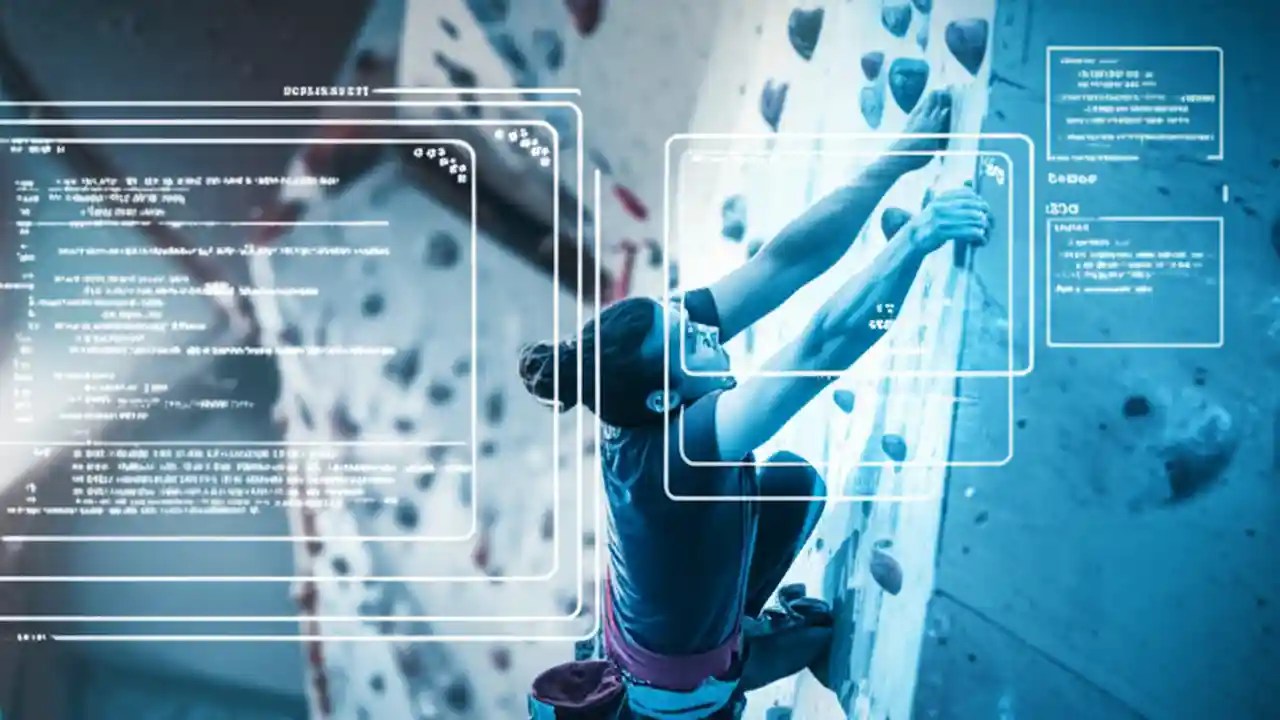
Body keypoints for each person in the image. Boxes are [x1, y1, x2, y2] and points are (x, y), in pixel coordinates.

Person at [519, 89, 991, 720]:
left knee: (796, 483)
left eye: (684, 318)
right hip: (674, 694)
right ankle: (735, 673)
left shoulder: (640, 388)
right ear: (664, 397)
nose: (706, 328)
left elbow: (783, 262)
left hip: (650, 618)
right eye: (689, 337)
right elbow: (823, 346)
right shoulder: (681, 450)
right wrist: (915, 240)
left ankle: (748, 623)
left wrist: (897, 160)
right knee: (819, 634)